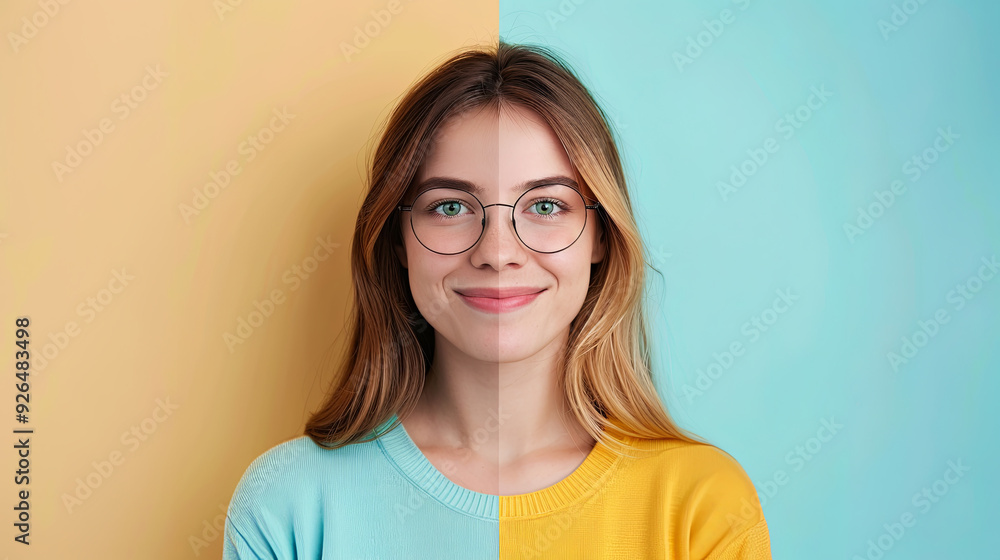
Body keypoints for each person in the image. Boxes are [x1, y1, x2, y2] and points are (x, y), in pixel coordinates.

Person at [223, 40, 772, 559]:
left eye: (547, 206)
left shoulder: (702, 505)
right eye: (451, 207)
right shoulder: (288, 505)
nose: (498, 253)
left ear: (602, 235)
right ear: (398, 241)